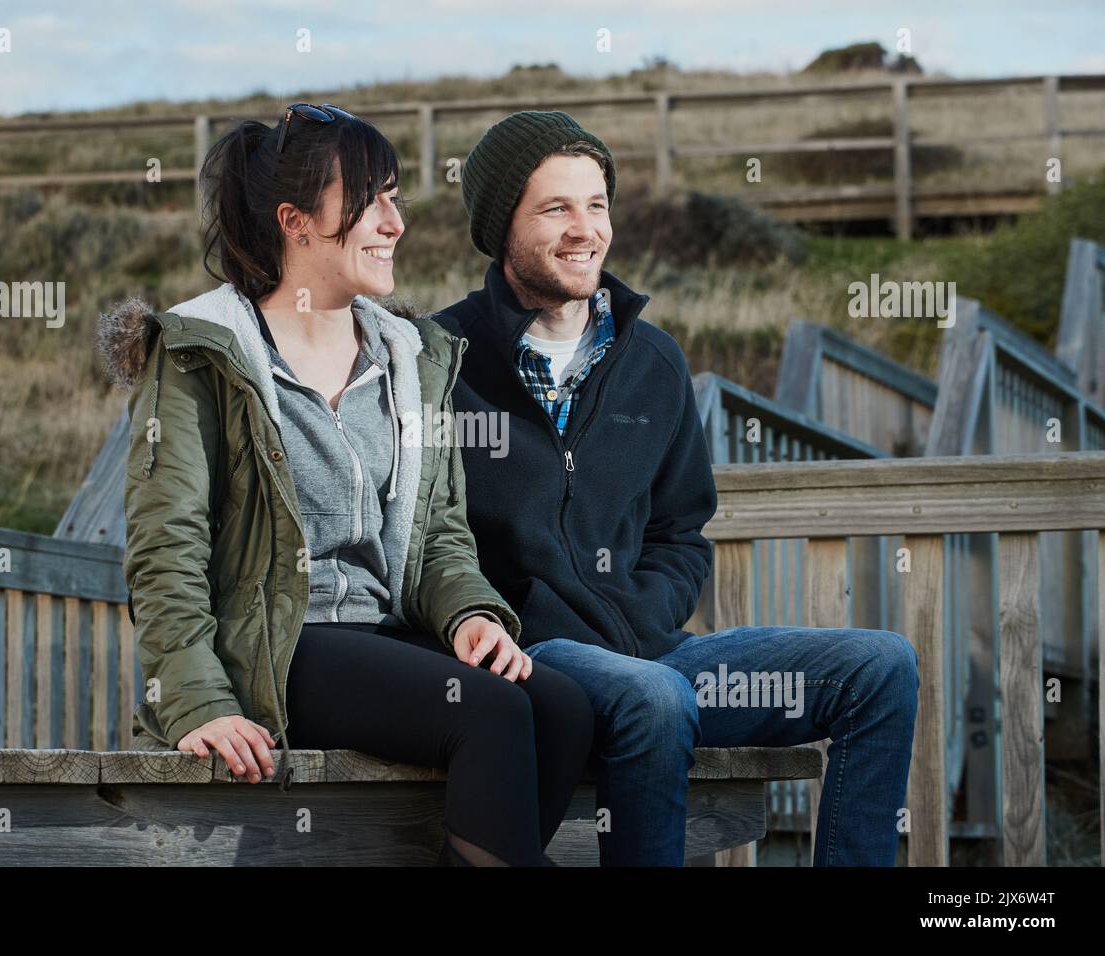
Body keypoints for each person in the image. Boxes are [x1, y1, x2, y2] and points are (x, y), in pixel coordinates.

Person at [98, 105, 594, 866]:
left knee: (559, 706)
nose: (396, 222)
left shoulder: (409, 357)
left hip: (389, 638)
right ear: (297, 222)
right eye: (371, 201)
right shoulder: (204, 354)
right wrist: (196, 700)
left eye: (395, 196)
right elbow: (167, 547)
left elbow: (437, 534)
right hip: (280, 645)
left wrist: (466, 614)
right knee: (491, 715)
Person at [434, 110, 919, 866]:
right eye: (555, 208)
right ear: (502, 226)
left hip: (658, 654)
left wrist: (642, 615)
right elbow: (423, 534)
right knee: (654, 700)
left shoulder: (653, 361)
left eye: (597, 205)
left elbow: (680, 533)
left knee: (881, 666)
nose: (584, 228)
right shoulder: (441, 363)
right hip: (534, 658)